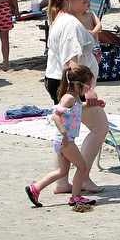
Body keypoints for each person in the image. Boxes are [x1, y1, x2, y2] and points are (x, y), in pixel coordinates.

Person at [44, 0, 107, 194]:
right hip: (72, 86)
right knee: (100, 127)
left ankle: (62, 182)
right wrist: (88, 89)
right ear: (66, 0)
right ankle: (85, 177)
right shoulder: (70, 23)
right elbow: (72, 63)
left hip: (57, 81)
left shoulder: (61, 19)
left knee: (67, 135)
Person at [25, 64, 98, 210]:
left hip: (64, 140)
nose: (88, 89)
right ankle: (76, 197)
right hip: (65, 140)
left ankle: (35, 188)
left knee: (62, 171)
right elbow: (56, 115)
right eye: (87, 86)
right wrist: (64, 133)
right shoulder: (68, 98)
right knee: (82, 166)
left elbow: (76, 108)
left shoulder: (75, 97)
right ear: (77, 84)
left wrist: (90, 105)